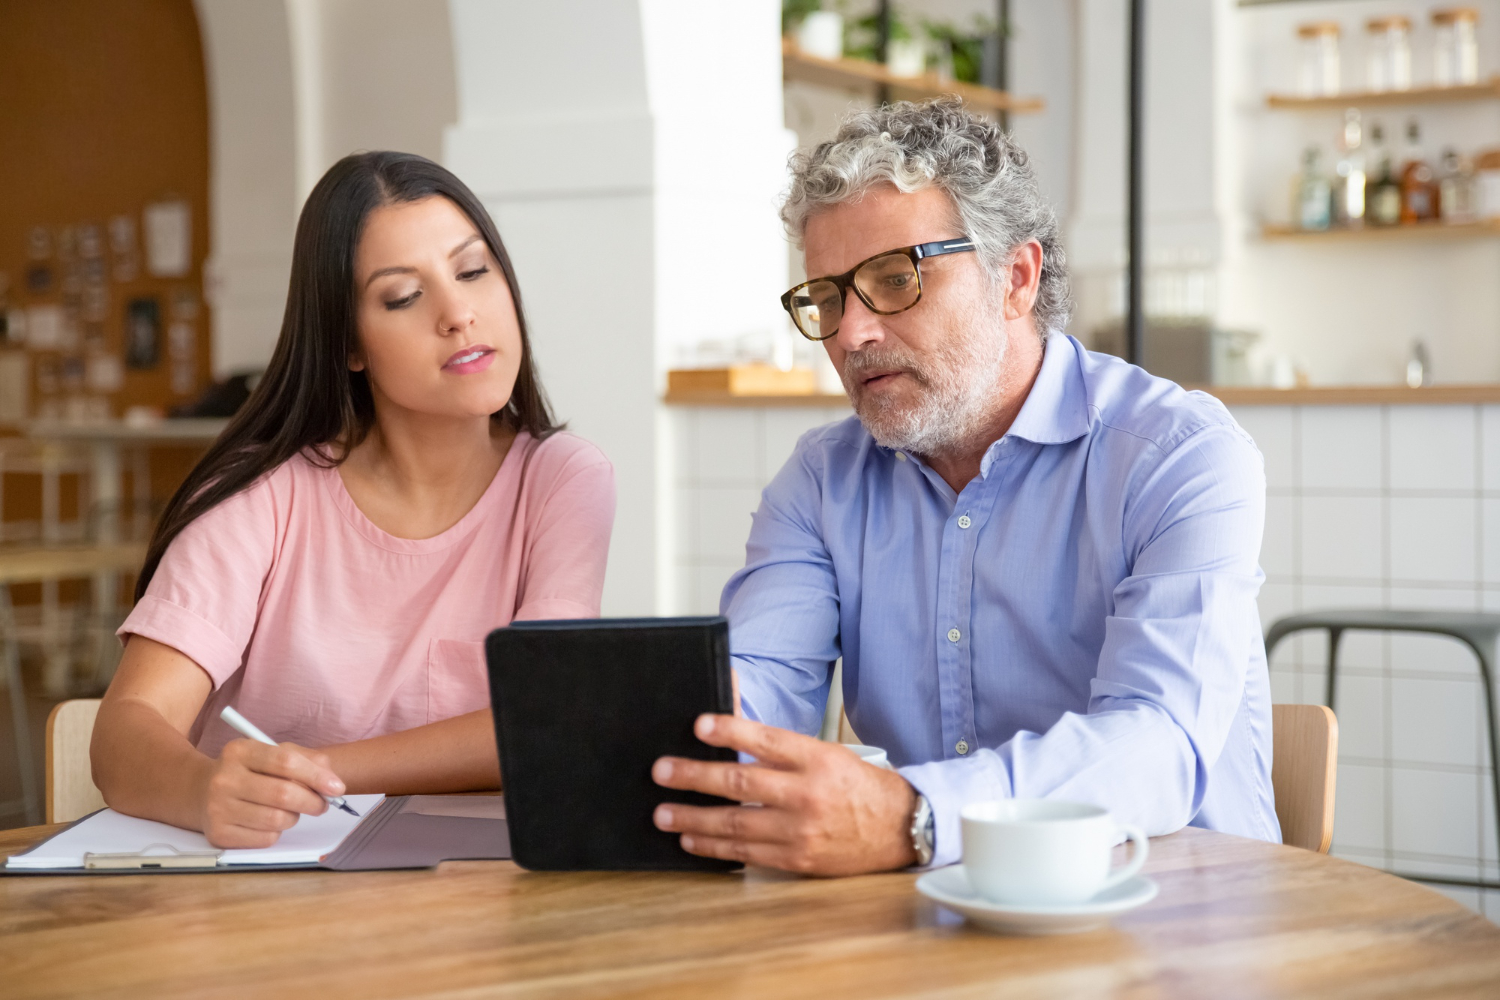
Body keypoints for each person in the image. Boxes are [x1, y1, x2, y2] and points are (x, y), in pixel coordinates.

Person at [651, 98, 1278, 875]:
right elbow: (755, 696)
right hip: (939, 925)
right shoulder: (820, 483)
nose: (851, 333)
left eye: (893, 278)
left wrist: (915, 819)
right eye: (829, 297)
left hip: (1183, 924)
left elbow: (1154, 742)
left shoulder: (1178, 457)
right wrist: (682, 755)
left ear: (1015, 278)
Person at [92, 153, 614, 848]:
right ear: (349, 345)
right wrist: (201, 789)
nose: (459, 314)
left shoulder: (563, 481)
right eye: (403, 296)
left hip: (469, 897)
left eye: (472, 270)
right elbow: (125, 731)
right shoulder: (260, 495)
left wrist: (315, 773)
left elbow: (543, 719)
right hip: (264, 903)